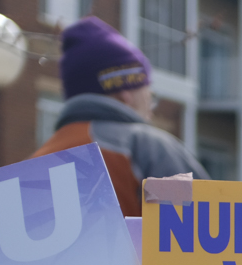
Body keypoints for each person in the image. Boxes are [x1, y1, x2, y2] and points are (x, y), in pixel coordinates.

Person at [32, 16, 206, 214]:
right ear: (125, 92)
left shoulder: (34, 164)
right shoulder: (145, 147)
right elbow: (200, 227)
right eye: (150, 94)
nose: (151, 106)